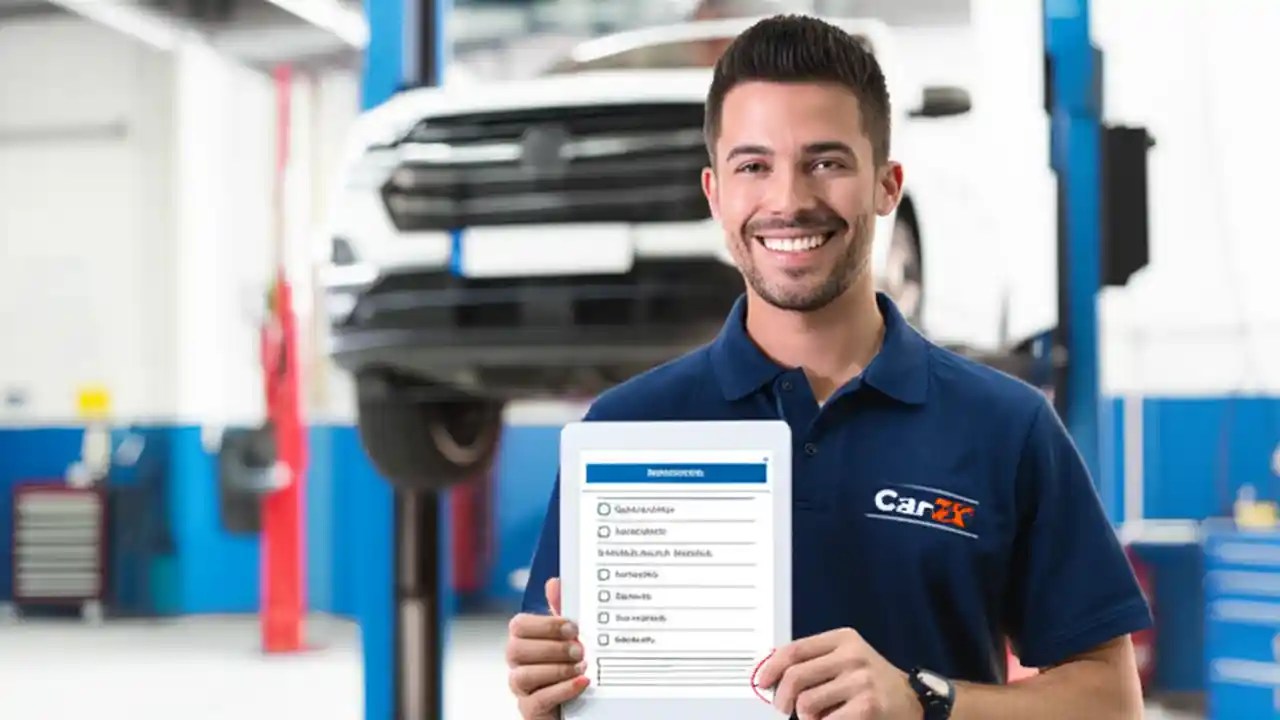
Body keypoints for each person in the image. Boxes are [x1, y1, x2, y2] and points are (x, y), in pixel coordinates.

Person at [504, 14, 1152, 720]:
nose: (789, 200)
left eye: (826, 162)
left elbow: (1111, 702)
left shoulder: (1006, 427)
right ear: (715, 192)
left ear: (886, 184)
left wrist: (922, 700)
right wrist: (545, 700)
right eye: (754, 166)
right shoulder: (625, 431)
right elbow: (577, 694)